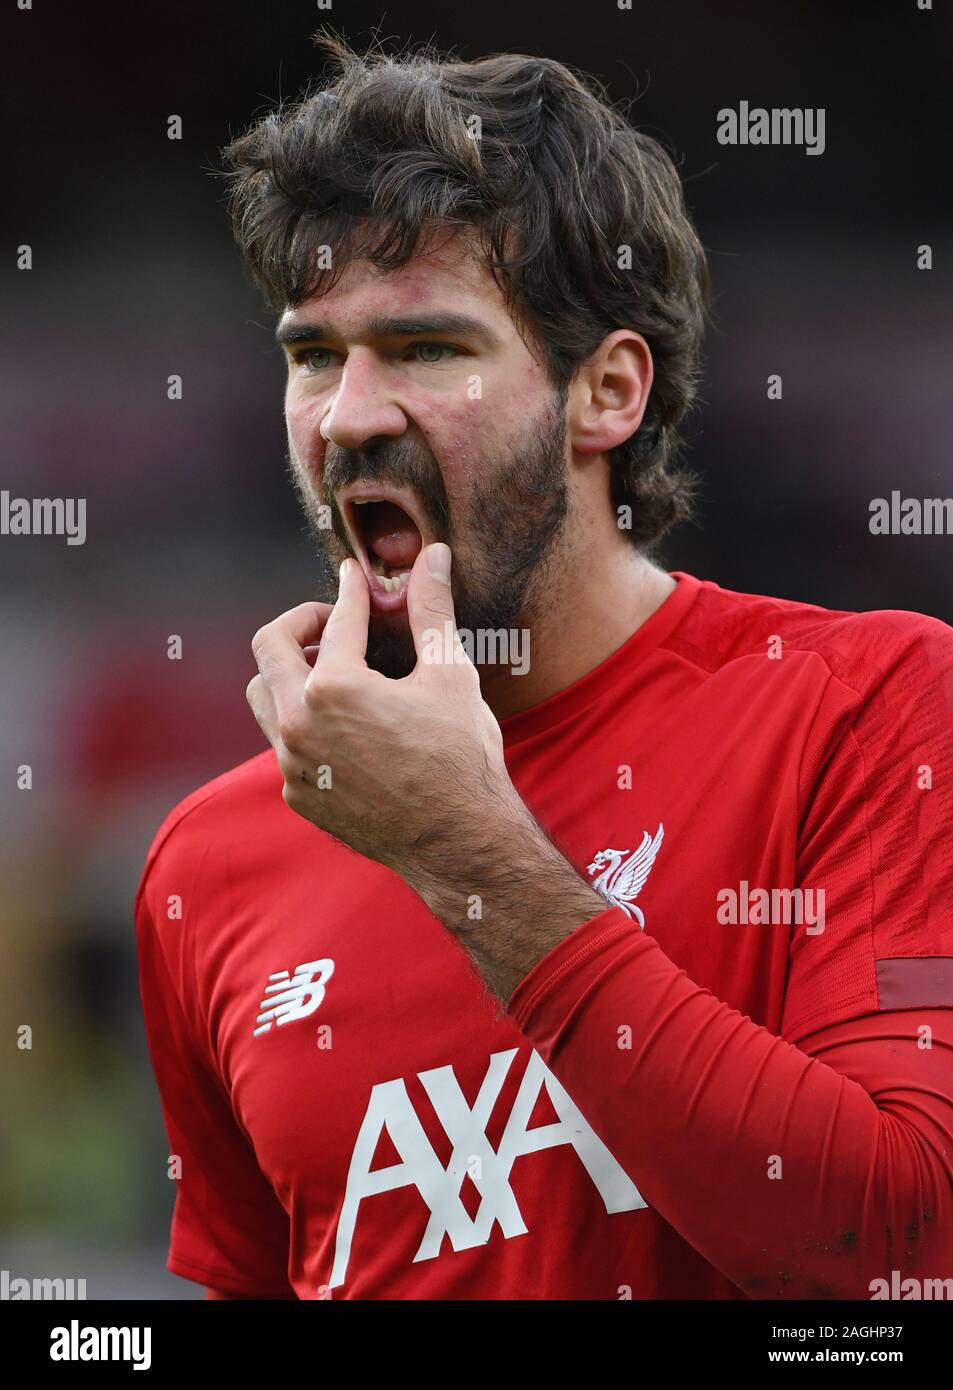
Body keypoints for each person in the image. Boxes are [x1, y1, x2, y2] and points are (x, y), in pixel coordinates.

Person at [135, 37, 953, 1301]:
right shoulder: (210, 856)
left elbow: (904, 1249)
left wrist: (464, 853)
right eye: (311, 354)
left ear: (606, 391)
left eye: (422, 348)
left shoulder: (869, 706)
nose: (347, 413)